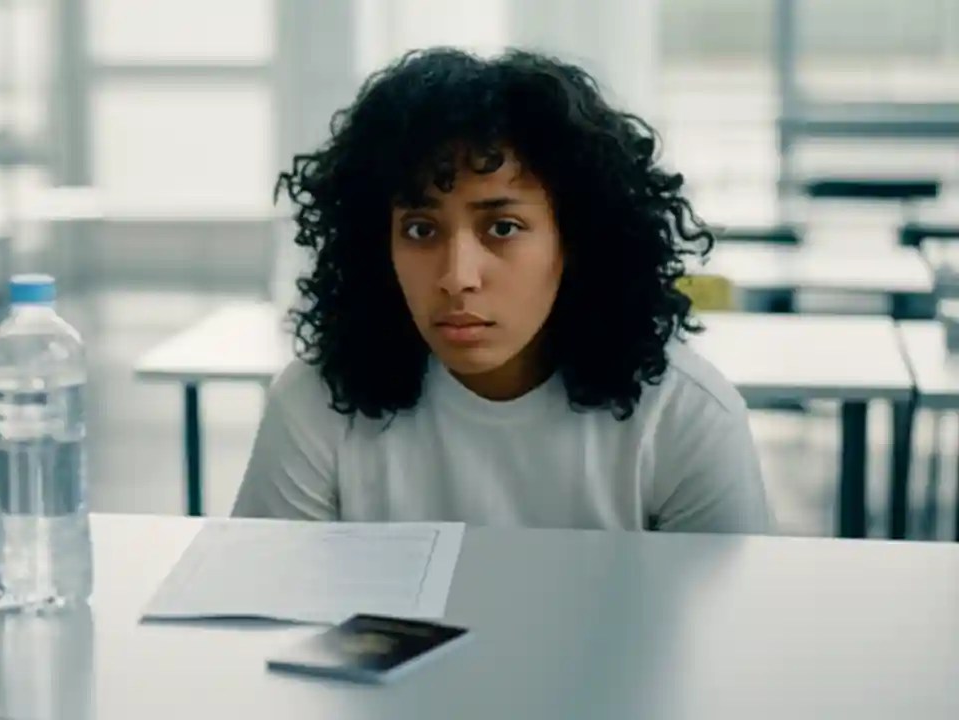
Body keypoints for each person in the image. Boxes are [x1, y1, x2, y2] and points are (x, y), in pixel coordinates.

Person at [232, 48, 771, 534]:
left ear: (577, 238)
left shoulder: (683, 416)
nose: (457, 275)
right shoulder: (316, 405)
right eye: (420, 229)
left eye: (503, 228)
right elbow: (268, 620)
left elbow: (728, 635)